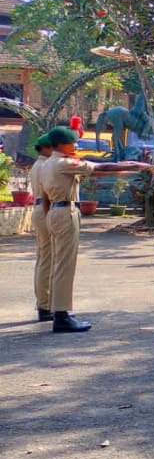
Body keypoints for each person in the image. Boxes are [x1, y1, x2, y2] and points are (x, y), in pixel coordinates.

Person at [33, 122, 146, 332]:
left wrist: (128, 169)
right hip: (65, 212)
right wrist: (134, 165)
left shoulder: (49, 164)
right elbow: (99, 167)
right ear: (61, 145)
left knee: (58, 264)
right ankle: (61, 315)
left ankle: (59, 310)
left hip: (56, 212)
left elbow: (48, 196)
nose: (75, 144)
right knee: (64, 266)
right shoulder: (61, 162)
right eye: (72, 141)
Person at [28, 134, 54, 321]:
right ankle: (45, 305)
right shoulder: (46, 165)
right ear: (46, 148)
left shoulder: (38, 165)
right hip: (46, 209)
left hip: (39, 209)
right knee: (48, 259)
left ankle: (44, 303)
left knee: (44, 258)